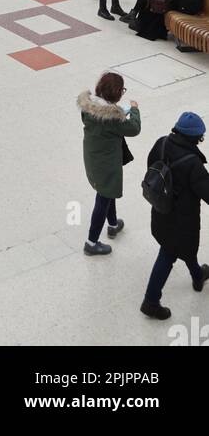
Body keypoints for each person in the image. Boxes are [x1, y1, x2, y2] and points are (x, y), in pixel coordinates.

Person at [140, 112, 209, 319]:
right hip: (182, 220)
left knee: (181, 248)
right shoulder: (193, 164)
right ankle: (151, 301)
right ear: (195, 137)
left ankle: (198, 275)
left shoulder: (161, 143)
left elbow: (152, 167)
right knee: (169, 253)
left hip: (161, 210)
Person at [77, 71, 141, 256]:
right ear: (116, 93)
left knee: (107, 190)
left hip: (93, 158)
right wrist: (134, 110)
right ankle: (91, 242)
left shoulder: (88, 107)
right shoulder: (112, 118)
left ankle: (112, 224)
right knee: (103, 197)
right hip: (106, 164)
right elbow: (134, 129)